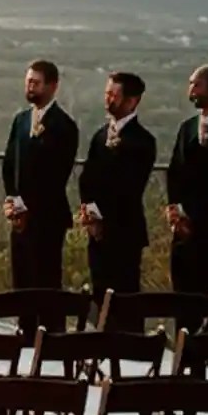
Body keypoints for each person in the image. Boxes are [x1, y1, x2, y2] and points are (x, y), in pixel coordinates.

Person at [1, 60, 79, 337]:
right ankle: (24, 334)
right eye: (28, 82)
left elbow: (56, 176)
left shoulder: (64, 126)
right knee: (21, 278)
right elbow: (9, 164)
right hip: (20, 217)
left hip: (47, 218)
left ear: (52, 86)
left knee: (45, 279)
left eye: (35, 82)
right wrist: (12, 202)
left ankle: (50, 337)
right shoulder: (20, 120)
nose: (30, 87)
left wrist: (28, 208)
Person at [77, 72, 156, 329]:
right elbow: (86, 178)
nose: (108, 99)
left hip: (124, 232)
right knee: (99, 295)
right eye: (107, 93)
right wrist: (89, 212)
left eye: (114, 95)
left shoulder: (143, 141)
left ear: (132, 101)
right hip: (97, 233)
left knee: (124, 296)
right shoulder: (100, 135)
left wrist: (104, 220)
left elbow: (129, 189)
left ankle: (127, 351)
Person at [166, 64, 208, 334]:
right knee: (185, 306)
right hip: (186, 237)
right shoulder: (187, 128)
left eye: (197, 85)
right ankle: (185, 363)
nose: (190, 90)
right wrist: (177, 213)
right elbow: (175, 174)